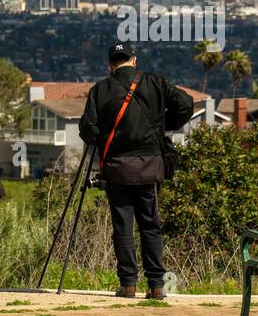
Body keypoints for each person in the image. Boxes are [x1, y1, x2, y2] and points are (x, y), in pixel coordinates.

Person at [79, 42, 193, 299]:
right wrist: (165, 125)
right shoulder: (155, 82)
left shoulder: (100, 89)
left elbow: (87, 129)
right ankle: (156, 285)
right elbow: (186, 104)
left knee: (123, 226)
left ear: (110, 65)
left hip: (117, 168)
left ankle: (128, 284)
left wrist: (104, 137)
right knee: (150, 225)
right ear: (134, 60)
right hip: (149, 167)